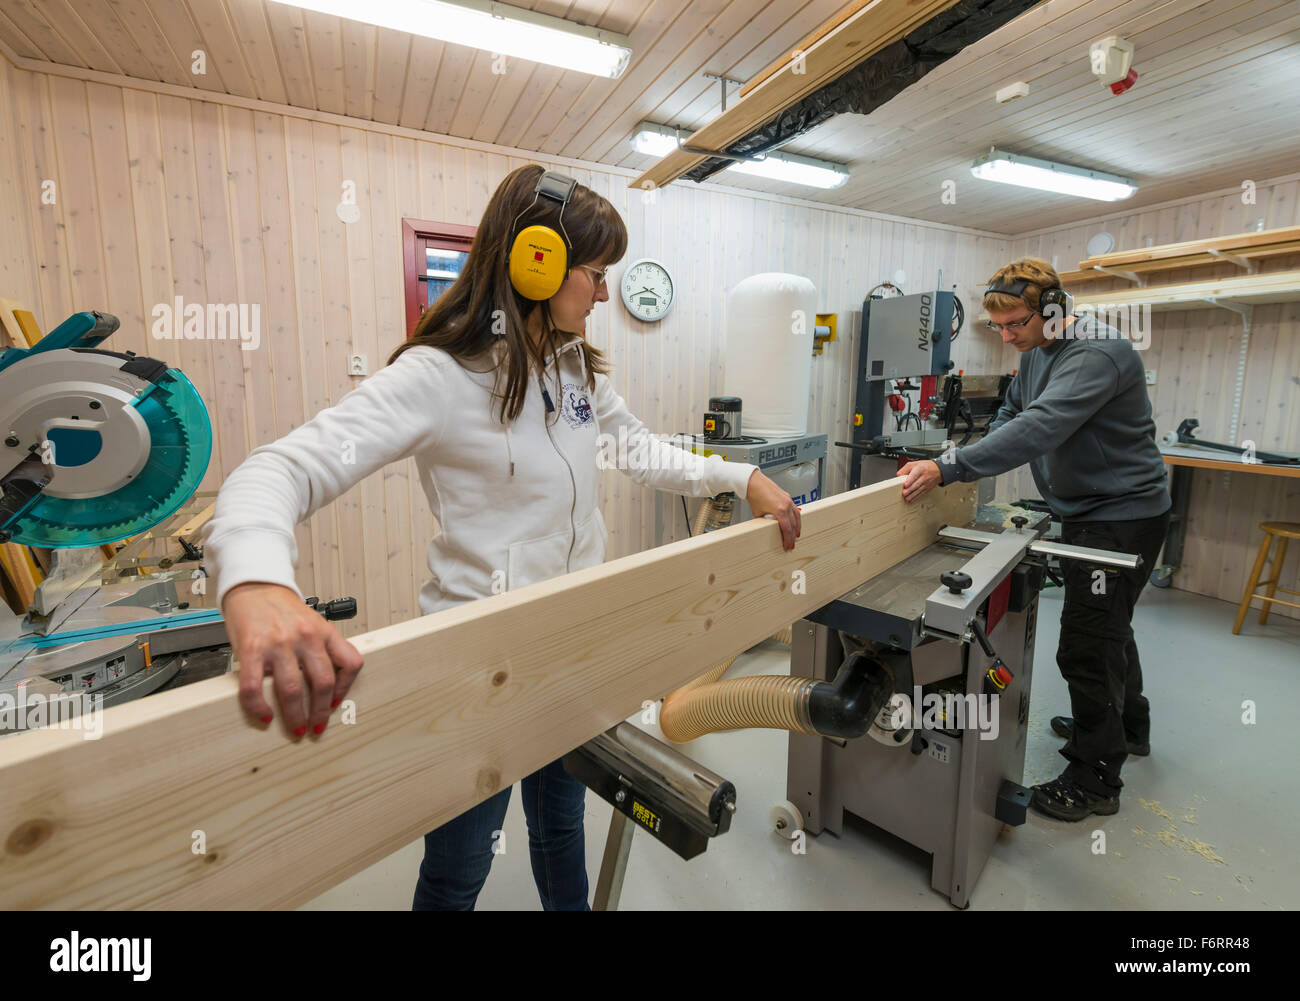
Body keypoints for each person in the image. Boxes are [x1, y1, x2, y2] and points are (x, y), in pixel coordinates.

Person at [202, 164, 802, 908]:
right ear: (536, 262)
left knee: (560, 828)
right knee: (459, 867)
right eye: (596, 273)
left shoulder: (576, 369)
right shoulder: (438, 376)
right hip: (478, 669)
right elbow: (278, 469)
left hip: (571, 648)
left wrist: (738, 478)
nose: (605, 293)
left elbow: (641, 450)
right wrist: (258, 580)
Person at [897, 258, 1170, 822]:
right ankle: (1131, 727)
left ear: (1054, 310)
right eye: (997, 327)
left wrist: (951, 467)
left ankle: (1096, 779)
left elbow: (1041, 426)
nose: (1006, 336)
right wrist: (967, 459)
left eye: (1014, 324)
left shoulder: (1097, 354)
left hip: (1121, 518)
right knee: (1111, 624)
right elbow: (1012, 412)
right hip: (1089, 511)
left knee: (1087, 642)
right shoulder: (1037, 354)